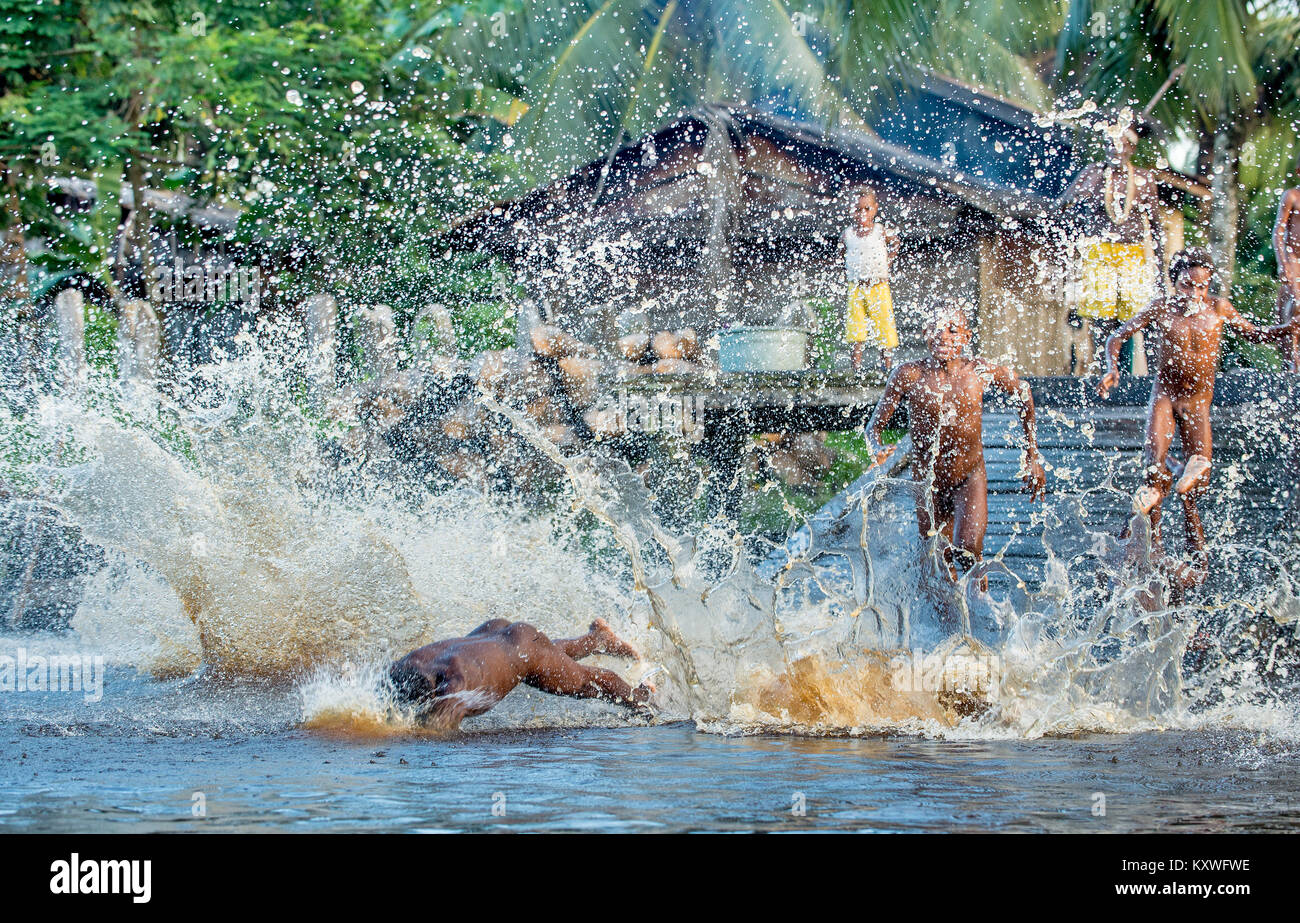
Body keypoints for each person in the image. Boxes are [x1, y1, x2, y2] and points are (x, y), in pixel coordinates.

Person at [1098, 248, 1298, 579]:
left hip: (1197, 405)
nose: (1196, 293)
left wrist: (1286, 328)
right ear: (1176, 283)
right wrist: (1111, 368)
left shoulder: (1218, 308)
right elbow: (1116, 336)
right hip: (1164, 399)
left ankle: (1197, 560)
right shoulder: (1162, 308)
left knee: (1195, 484)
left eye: (1202, 286)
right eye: (1189, 286)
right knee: (1153, 470)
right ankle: (1155, 546)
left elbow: (1255, 334)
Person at [865, 306, 1046, 581]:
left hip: (969, 476)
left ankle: (978, 609)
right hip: (926, 483)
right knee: (937, 559)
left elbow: (1023, 390)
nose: (943, 336)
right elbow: (873, 428)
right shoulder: (909, 375)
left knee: (968, 549)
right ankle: (949, 621)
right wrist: (876, 448)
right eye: (936, 329)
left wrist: (1031, 456)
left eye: (952, 330)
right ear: (925, 334)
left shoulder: (978, 372)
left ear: (966, 336)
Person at [389, 618, 652, 730]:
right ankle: (598, 639)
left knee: (585, 681)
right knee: (549, 656)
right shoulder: (404, 668)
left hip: (522, 648)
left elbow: (436, 730)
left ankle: (643, 697)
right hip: (493, 636)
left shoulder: (454, 685)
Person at [1062, 116, 1165, 373]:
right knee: (1101, 319)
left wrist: (1163, 276)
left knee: (1138, 317)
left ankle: (1144, 376)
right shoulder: (1093, 174)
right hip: (1099, 253)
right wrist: (1077, 196)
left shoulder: (1143, 180)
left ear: (1131, 148)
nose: (1112, 149)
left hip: (1131, 254)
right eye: (1108, 143)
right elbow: (1063, 206)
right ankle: (1108, 371)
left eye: (1118, 143)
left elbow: (1156, 228)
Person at [843, 185, 901, 373]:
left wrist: (887, 262)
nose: (862, 213)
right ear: (850, 210)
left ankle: (887, 366)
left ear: (875, 208)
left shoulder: (879, 231)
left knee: (884, 325)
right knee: (856, 328)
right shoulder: (848, 234)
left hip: (878, 285)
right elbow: (842, 252)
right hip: (857, 286)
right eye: (857, 209)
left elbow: (896, 243)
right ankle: (856, 368)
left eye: (867, 209)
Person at [1274, 182, 1300, 371]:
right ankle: (1292, 362)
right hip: (1294, 259)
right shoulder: (1292, 196)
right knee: (1296, 304)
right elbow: (1278, 231)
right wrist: (1282, 264)